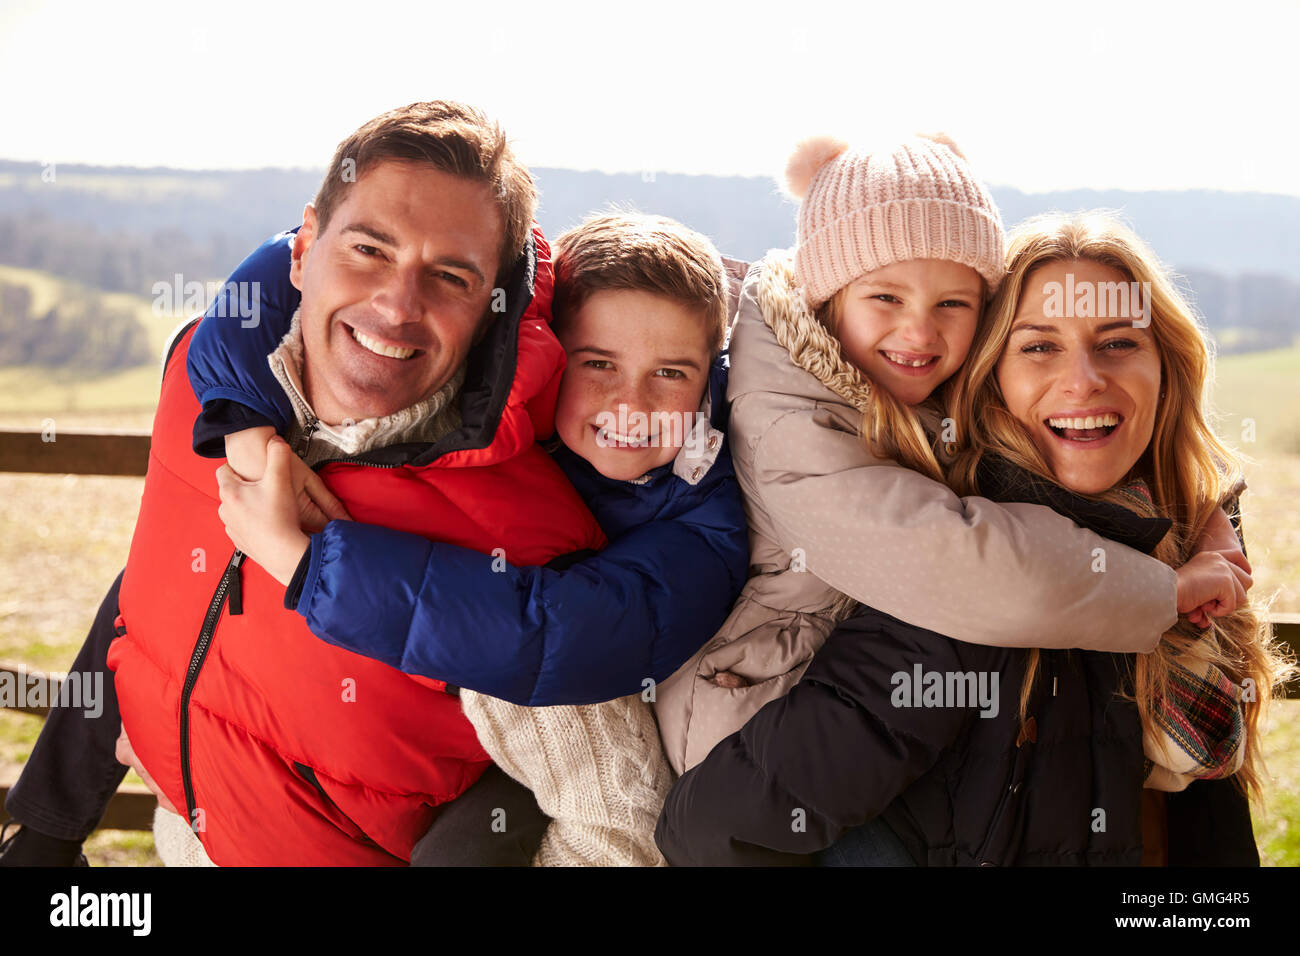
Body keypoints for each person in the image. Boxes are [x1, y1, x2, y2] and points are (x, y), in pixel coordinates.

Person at [1, 100, 609, 867]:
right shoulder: (200, 383)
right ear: (303, 248)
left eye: (450, 275)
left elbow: (613, 821)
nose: (397, 304)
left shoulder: (526, 541)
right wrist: (52, 828)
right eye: (369, 248)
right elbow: (152, 591)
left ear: (493, 309)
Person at [654, 212, 1290, 865]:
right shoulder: (962, 588)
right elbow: (713, 828)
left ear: (1168, 369)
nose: (1083, 380)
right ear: (989, 379)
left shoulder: (1187, 543)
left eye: (1118, 343)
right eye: (1039, 346)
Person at [176, 212, 749, 866]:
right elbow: (290, 263)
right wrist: (247, 426)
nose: (630, 404)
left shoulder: (704, 526)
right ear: (552, 353)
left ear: (712, 378)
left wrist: (308, 566)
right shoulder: (510, 416)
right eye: (599, 364)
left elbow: (560, 633)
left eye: (671, 373)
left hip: (565, 734)